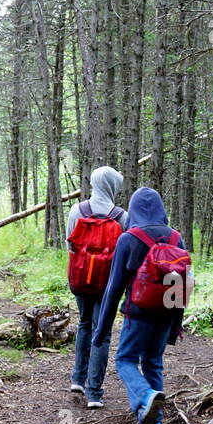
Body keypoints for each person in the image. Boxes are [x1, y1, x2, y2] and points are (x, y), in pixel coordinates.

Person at [92, 187, 191, 424]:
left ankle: (145, 396)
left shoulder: (128, 238)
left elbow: (113, 287)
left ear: (133, 209)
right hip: (166, 312)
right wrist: (175, 326)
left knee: (124, 360)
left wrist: (101, 330)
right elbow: (182, 285)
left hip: (137, 314)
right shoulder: (175, 238)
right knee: (153, 363)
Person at [66, 165, 127, 408]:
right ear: (113, 186)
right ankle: (95, 393)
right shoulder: (122, 216)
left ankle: (77, 379)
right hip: (108, 284)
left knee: (84, 324)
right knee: (101, 334)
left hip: (80, 280)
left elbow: (69, 245)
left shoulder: (77, 210)